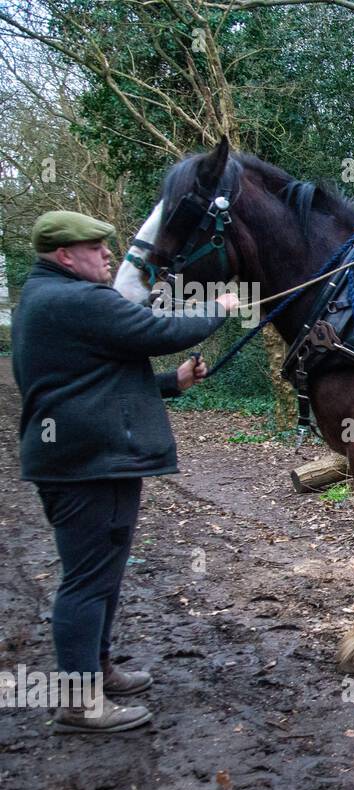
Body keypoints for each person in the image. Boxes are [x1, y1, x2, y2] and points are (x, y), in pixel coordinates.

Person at [12, 209, 238, 733]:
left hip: (83, 461)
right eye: (97, 247)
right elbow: (158, 329)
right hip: (90, 466)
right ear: (65, 254)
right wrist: (221, 305)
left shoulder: (43, 300)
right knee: (88, 581)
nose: (109, 255)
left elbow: (89, 378)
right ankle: (80, 702)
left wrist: (170, 384)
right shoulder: (77, 300)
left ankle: (98, 669)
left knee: (101, 575)